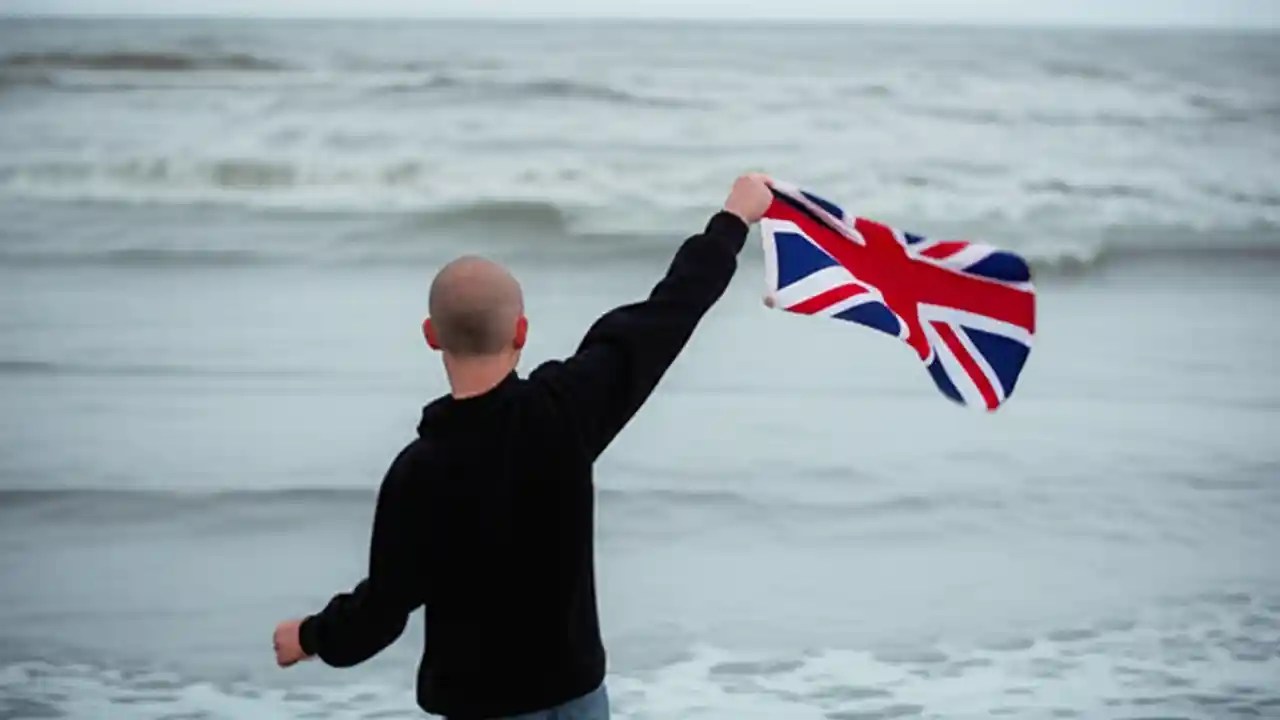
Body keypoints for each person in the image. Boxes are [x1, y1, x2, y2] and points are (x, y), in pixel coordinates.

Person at [271, 174, 774, 719]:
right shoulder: (567, 409)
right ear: (522, 330)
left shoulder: (418, 472)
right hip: (579, 700)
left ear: (431, 334)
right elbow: (668, 312)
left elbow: (382, 612)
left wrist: (311, 637)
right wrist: (732, 219)